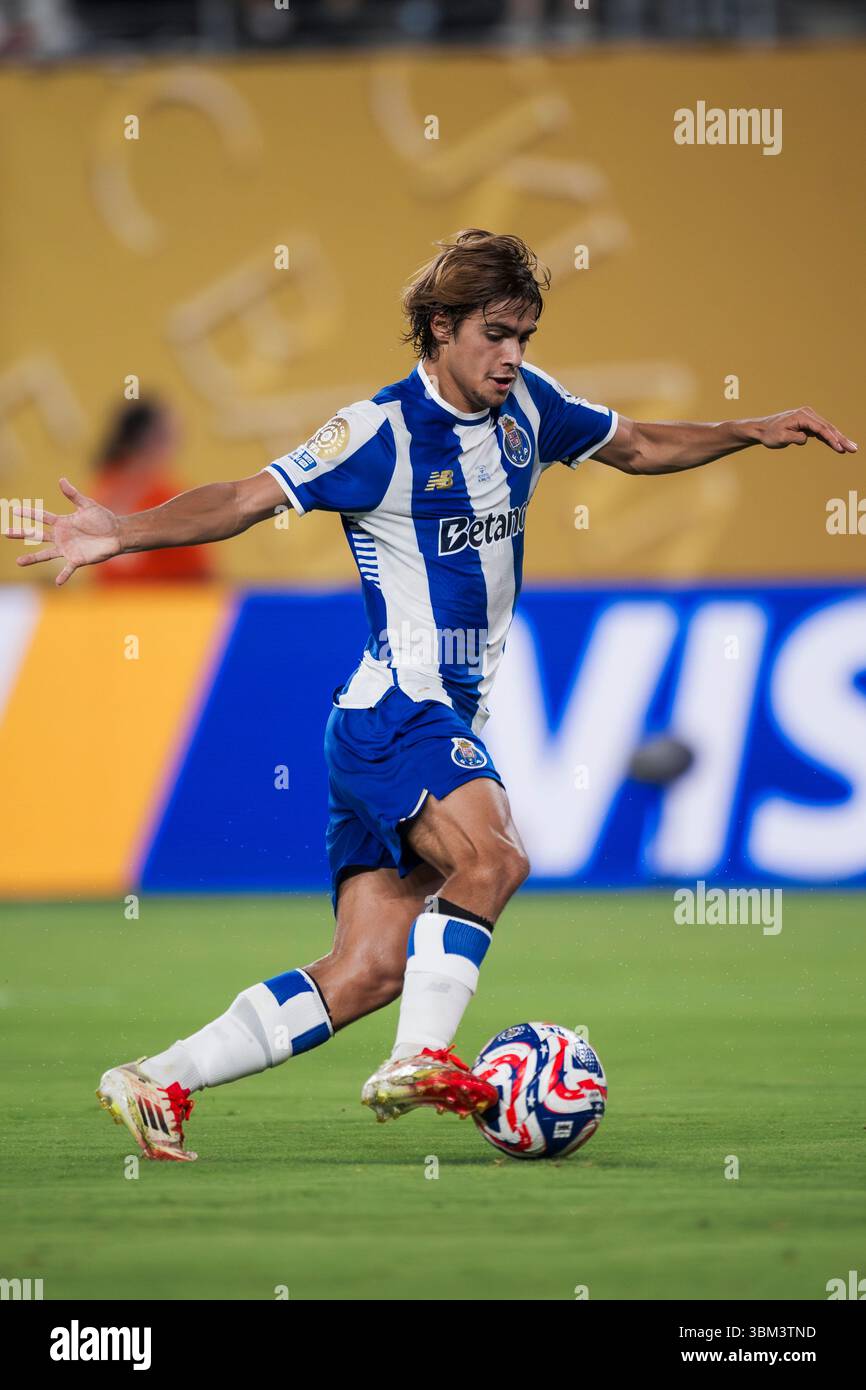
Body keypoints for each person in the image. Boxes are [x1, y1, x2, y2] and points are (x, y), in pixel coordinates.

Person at [6, 229, 856, 1162]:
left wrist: (752, 428)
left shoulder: (532, 407)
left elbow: (642, 443)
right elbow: (248, 497)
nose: (513, 355)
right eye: (496, 334)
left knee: (366, 968)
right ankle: (420, 1057)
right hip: (399, 709)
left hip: (418, 719)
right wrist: (120, 532)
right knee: (493, 860)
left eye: (524, 335)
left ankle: (153, 1080)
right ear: (441, 328)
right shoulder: (376, 433)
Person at [88, 398, 213, 584]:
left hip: (167, 605)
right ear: (148, 439)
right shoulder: (106, 490)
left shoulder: (166, 494)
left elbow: (200, 570)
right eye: (168, 438)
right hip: (115, 605)